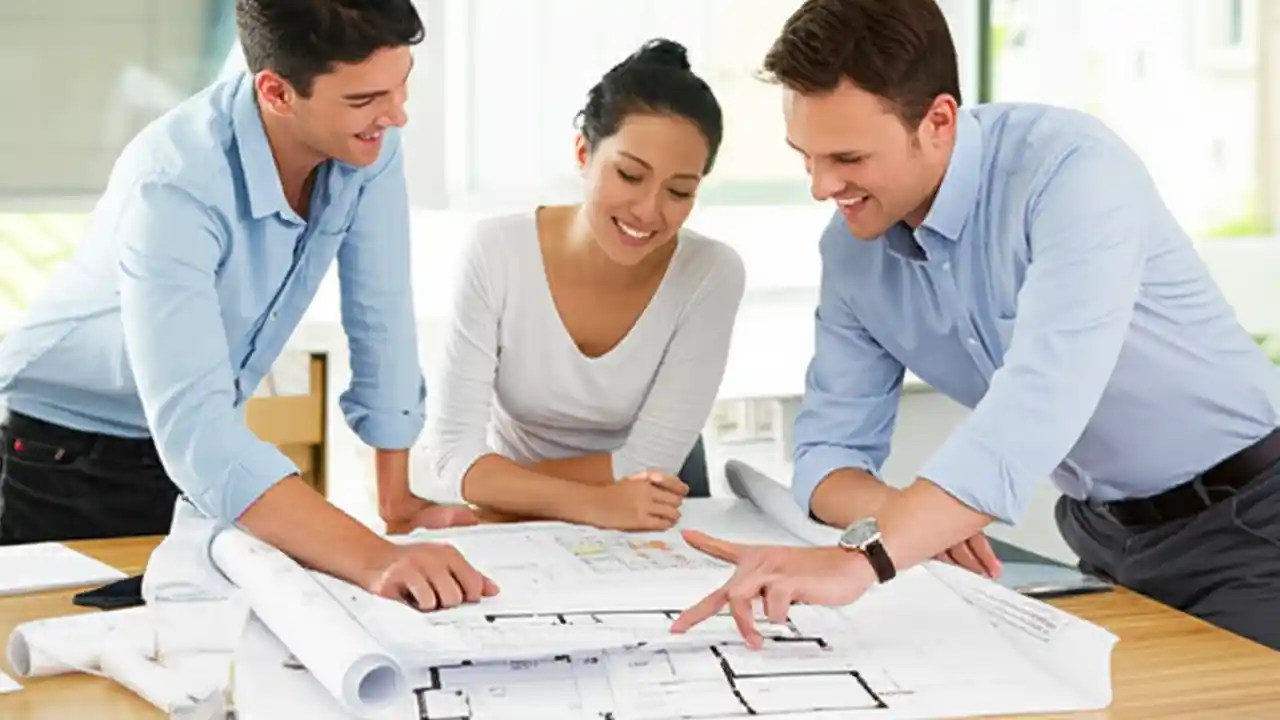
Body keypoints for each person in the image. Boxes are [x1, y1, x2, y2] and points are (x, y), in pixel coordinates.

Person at [673, 0, 1280, 651]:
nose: (822, 186)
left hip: (1251, 522)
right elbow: (826, 459)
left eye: (847, 158)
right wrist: (904, 517)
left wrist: (866, 557)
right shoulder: (853, 249)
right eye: (806, 157)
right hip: (1105, 538)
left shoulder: (1072, 172)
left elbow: (1038, 403)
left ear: (937, 121)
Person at [0, 0, 494, 612]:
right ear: (277, 92)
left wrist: (399, 504)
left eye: (401, 85)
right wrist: (377, 557)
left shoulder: (371, 146)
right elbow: (198, 432)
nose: (395, 115)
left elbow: (381, 317)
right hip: (69, 453)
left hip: (197, 453)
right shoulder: (175, 182)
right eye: (364, 100)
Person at [392, 39, 745, 532]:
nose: (649, 210)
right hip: (511, 510)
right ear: (583, 153)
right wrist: (585, 503)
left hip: (620, 507)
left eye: (679, 191)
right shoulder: (496, 251)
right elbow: (451, 453)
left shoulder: (711, 273)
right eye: (629, 175)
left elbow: (649, 460)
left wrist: (499, 493)